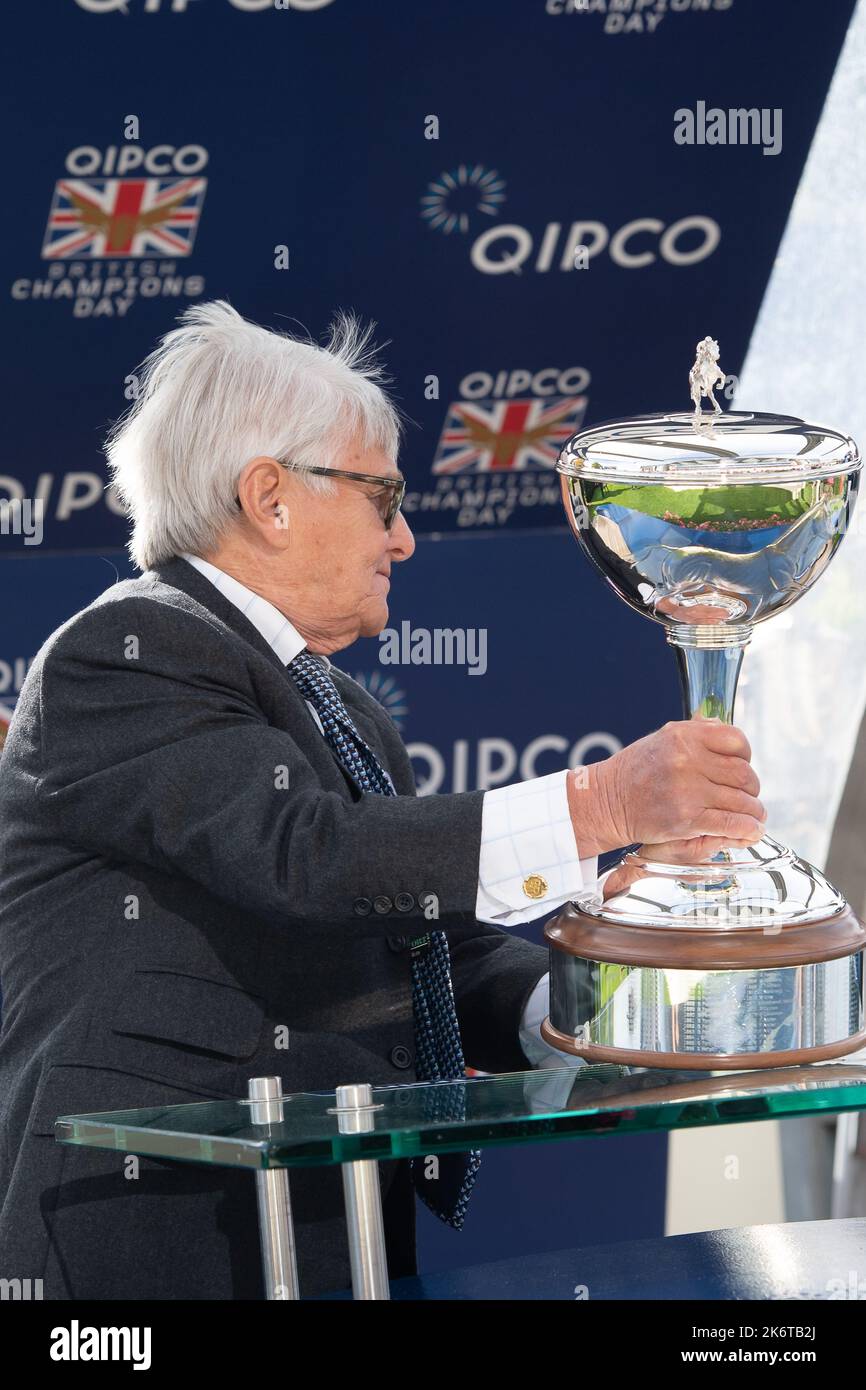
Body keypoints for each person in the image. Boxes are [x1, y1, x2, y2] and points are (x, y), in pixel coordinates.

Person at [0, 301, 766, 1299]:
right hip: (151, 1239)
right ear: (269, 497)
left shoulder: (344, 704)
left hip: (328, 1222)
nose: (404, 539)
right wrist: (600, 804)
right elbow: (306, 857)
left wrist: (616, 1004)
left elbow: (428, 949)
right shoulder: (129, 652)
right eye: (382, 497)